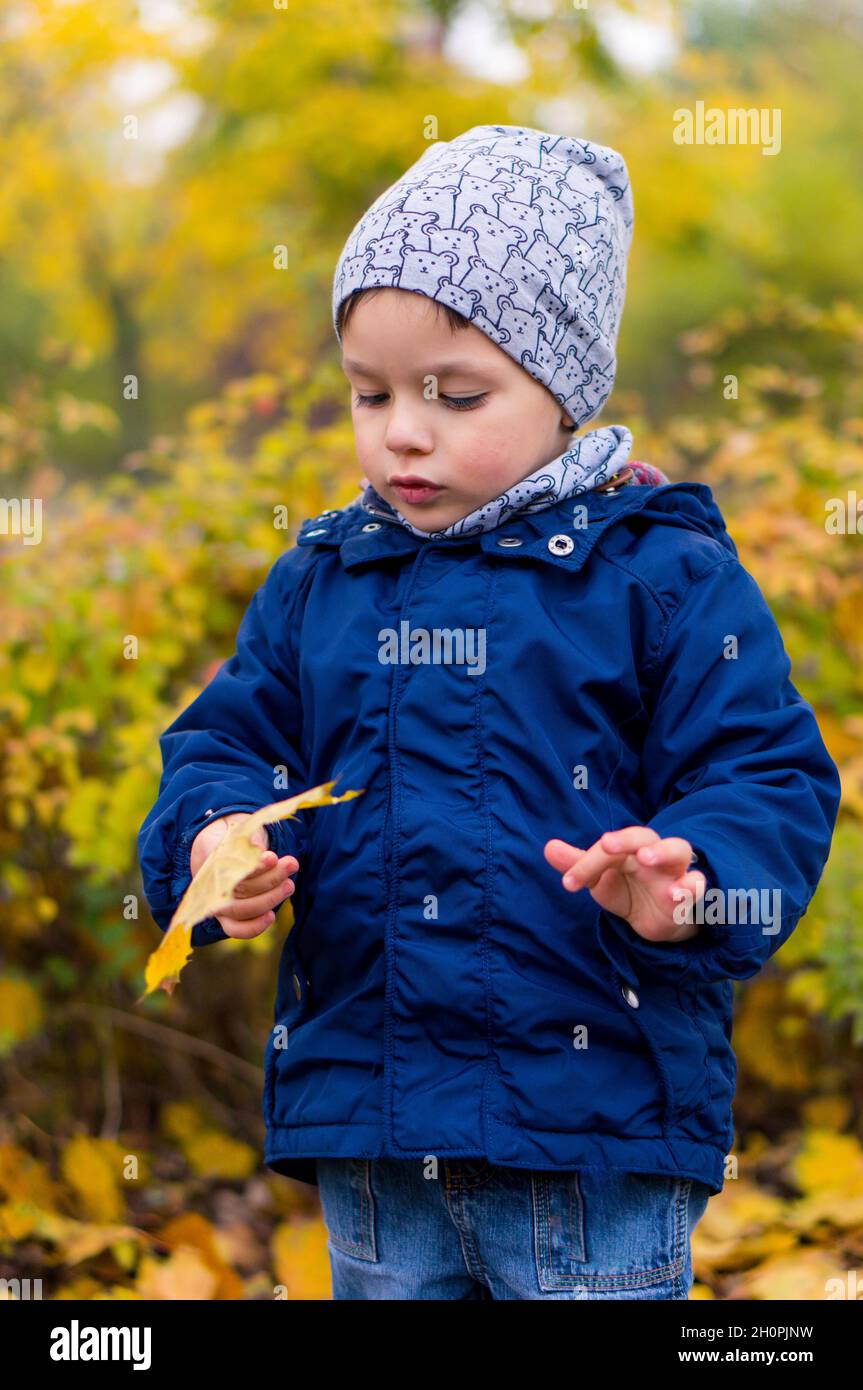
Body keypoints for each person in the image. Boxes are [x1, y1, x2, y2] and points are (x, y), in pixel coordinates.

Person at [138, 124, 842, 1300]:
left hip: (595, 1130)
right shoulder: (323, 580)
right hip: (373, 1126)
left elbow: (764, 769)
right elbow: (228, 742)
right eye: (368, 393)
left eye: (452, 394)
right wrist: (219, 837)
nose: (401, 429)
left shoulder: (656, 577)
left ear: (562, 391)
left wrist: (692, 876)